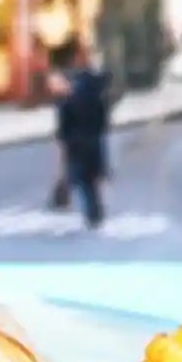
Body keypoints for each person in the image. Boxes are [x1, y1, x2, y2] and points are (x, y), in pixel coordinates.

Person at [50, 36, 112, 229]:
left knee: (82, 174)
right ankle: (91, 210)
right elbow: (101, 107)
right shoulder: (88, 82)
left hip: (79, 137)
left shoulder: (76, 85)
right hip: (89, 136)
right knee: (88, 175)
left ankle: (77, 202)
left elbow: (67, 115)